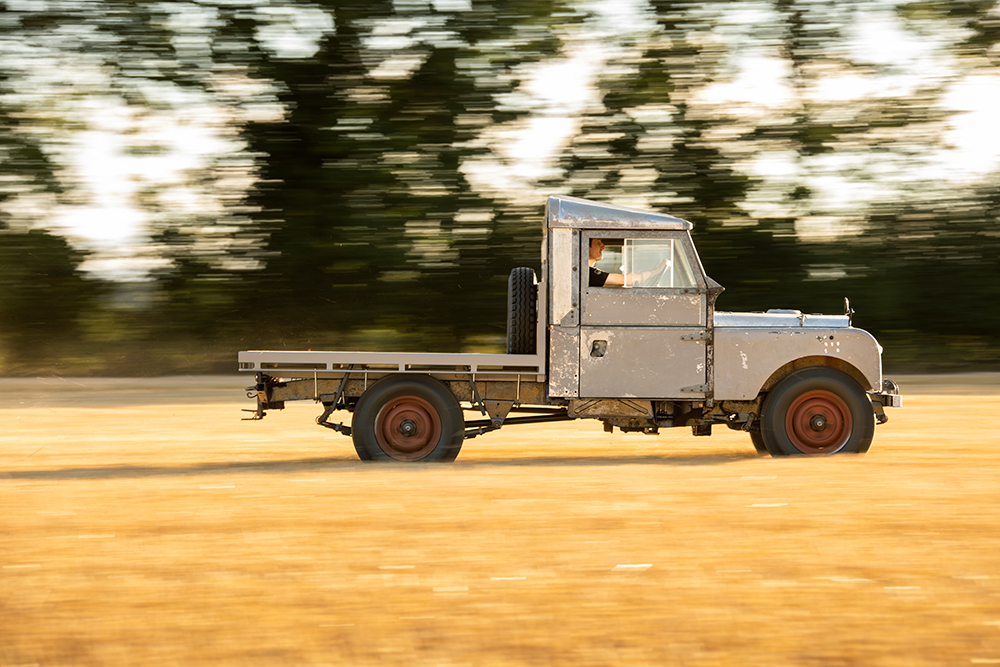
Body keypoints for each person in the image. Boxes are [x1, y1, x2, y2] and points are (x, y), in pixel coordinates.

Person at [588, 238, 669, 287]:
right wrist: (657, 271)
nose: (603, 246)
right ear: (586, 247)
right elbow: (629, 280)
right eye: (598, 243)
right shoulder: (587, 273)